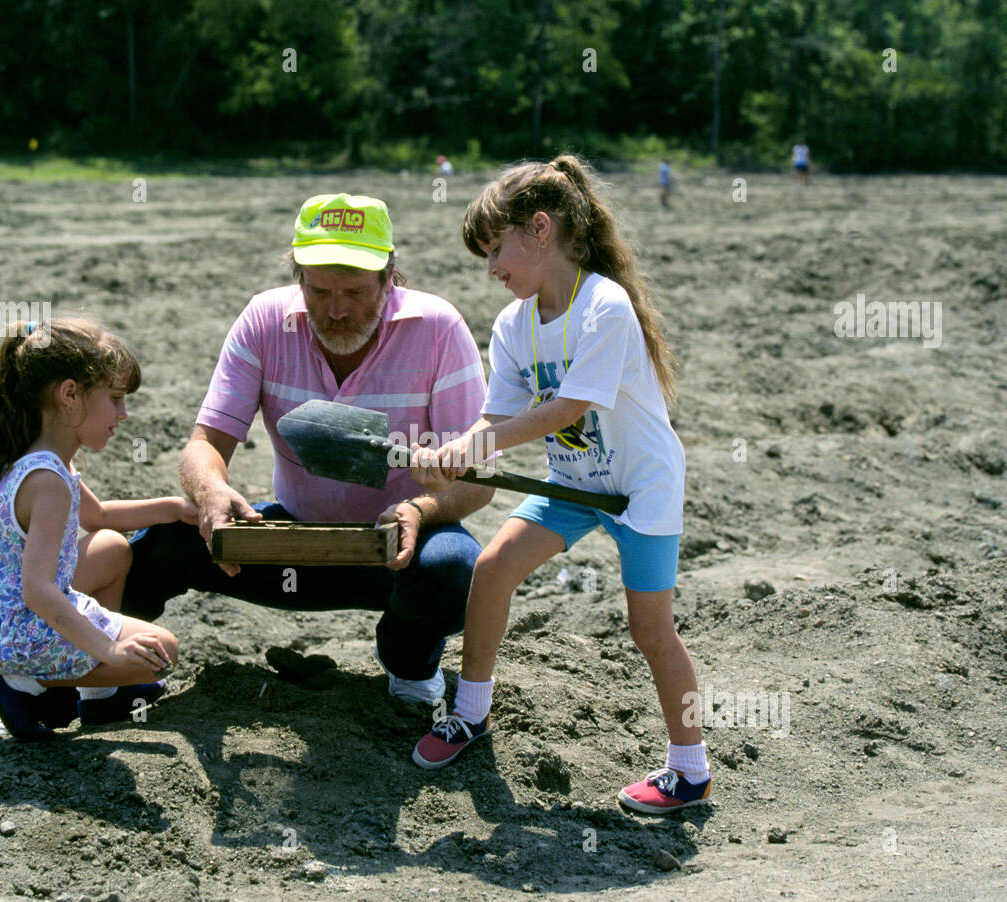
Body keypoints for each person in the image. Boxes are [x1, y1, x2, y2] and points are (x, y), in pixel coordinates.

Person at [408, 154, 711, 815]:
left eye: (496, 251)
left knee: (650, 628)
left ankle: (689, 770)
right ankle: (472, 713)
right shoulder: (514, 325)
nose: (491, 269)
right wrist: (451, 455)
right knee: (492, 567)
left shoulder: (604, 305)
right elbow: (496, 417)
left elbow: (566, 408)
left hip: (642, 487)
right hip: (573, 482)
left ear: (539, 229)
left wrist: (474, 446)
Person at [120, 193, 492, 705]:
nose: (336, 310)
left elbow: (477, 479)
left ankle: (407, 662)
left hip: (397, 548)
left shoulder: (439, 328)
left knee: (458, 571)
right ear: (298, 277)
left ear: (389, 278)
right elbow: (204, 444)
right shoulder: (266, 320)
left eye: (354, 291)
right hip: (290, 536)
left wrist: (420, 509)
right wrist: (211, 491)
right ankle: (114, 671)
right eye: (319, 290)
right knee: (148, 548)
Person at [0, 317, 198, 741]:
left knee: (112, 549)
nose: (124, 414)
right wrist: (107, 649)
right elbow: (38, 591)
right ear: (70, 395)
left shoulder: (37, 454)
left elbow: (97, 519)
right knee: (160, 651)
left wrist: (173, 508)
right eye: (115, 399)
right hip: (9, 629)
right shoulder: (48, 483)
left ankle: (101, 695)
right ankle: (21, 686)